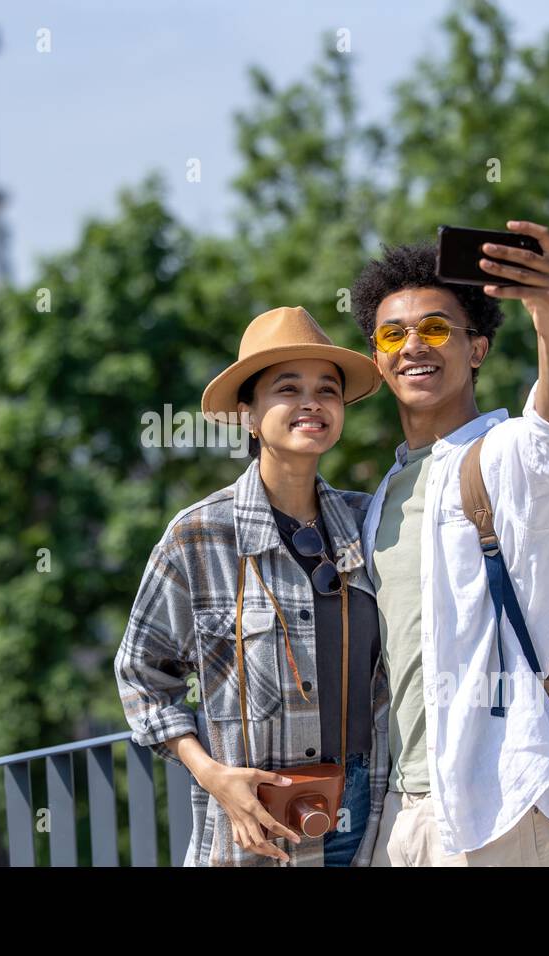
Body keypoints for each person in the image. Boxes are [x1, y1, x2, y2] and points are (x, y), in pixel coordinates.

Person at [353, 222, 549, 866]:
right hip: (402, 809)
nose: (414, 347)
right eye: (393, 335)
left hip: (496, 803)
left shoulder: (505, 455)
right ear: (377, 359)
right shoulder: (384, 496)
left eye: (435, 329)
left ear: (477, 348)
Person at [115, 305, 390, 866]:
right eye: (288, 388)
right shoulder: (198, 537)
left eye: (327, 390)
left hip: (366, 810)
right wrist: (210, 774)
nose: (312, 402)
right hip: (255, 823)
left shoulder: (371, 522)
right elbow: (141, 674)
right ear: (248, 414)